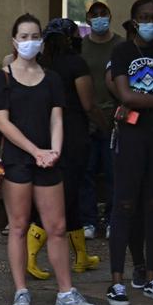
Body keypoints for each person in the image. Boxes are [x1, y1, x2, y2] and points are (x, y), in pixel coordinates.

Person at [0, 13, 96, 305]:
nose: (30, 42)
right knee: (19, 226)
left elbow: (56, 118)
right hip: (18, 161)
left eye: (35, 36)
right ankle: (21, 291)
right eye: (24, 37)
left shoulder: (52, 78)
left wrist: (54, 151)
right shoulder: (2, 78)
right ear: (14, 41)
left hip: (48, 161)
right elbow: (1, 123)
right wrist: (35, 150)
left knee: (57, 227)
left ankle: (66, 292)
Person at [105, 0, 153, 305]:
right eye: (144, 17)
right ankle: (116, 280)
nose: (150, 21)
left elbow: (133, 97)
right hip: (131, 136)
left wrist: (139, 99)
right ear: (134, 21)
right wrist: (144, 100)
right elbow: (125, 94)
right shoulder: (123, 52)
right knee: (124, 204)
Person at [38, 18, 103, 276]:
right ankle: (32, 256)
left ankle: (81, 256)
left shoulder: (43, 65)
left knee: (69, 195)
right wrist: (104, 124)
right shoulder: (76, 63)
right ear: (70, 38)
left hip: (46, 136)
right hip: (74, 136)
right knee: (67, 196)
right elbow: (88, 103)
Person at [80, 0, 125, 238]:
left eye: (103, 13)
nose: (99, 17)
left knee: (113, 172)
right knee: (85, 172)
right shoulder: (81, 46)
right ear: (87, 18)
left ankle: (111, 220)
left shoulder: (120, 45)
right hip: (87, 119)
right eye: (94, 14)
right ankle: (88, 221)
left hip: (114, 120)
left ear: (110, 15)